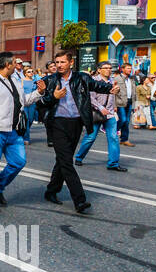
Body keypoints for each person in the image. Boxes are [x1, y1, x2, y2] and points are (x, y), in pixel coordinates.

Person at [38, 49, 115, 214]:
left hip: (76, 123)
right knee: (67, 162)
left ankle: (51, 191)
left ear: (71, 63)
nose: (59, 65)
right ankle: (79, 200)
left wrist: (110, 89)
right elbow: (41, 103)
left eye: (62, 62)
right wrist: (53, 96)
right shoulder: (49, 80)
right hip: (57, 123)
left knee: (62, 160)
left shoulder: (82, 78)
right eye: (57, 62)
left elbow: (97, 85)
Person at [0, 52, 45, 212]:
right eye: (15, 63)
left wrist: (39, 93)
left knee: (19, 162)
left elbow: (23, 101)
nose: (18, 66)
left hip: (14, 131)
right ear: (7, 65)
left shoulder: (15, 81)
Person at [73, 62, 127, 172]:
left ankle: (113, 163)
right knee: (90, 137)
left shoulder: (112, 81)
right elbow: (89, 97)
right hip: (96, 113)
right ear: (99, 70)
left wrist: (114, 106)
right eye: (106, 68)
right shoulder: (93, 80)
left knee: (113, 138)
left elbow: (113, 96)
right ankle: (79, 157)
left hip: (110, 114)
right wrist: (100, 107)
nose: (109, 70)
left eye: (110, 68)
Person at [115, 63, 137, 146]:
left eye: (130, 68)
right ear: (122, 69)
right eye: (128, 68)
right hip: (120, 102)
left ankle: (124, 139)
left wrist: (135, 104)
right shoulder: (117, 78)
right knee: (123, 119)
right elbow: (113, 93)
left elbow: (134, 92)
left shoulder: (131, 79)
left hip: (130, 101)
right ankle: (112, 132)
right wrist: (114, 105)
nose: (130, 70)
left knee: (127, 121)